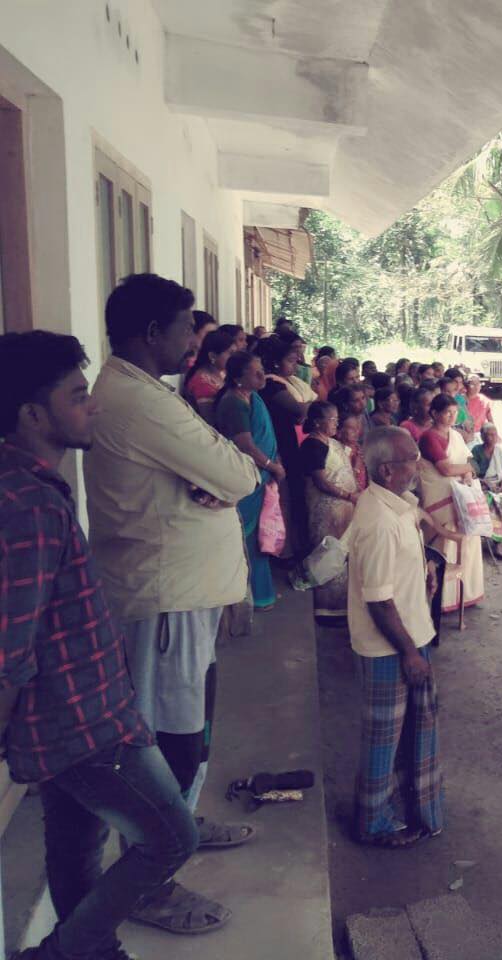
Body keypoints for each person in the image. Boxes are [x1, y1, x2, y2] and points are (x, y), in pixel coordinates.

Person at [0, 331, 201, 960]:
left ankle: (92, 952)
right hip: (81, 723)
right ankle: (64, 953)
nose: (92, 405)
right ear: (33, 416)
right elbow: (9, 648)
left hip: (79, 714)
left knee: (75, 846)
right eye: (77, 395)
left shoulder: (32, 487)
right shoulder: (27, 505)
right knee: (171, 839)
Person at [85, 274, 259, 933]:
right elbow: (239, 471)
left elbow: (226, 472)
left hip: (181, 594)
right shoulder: (138, 401)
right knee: (166, 741)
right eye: (188, 325)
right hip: (164, 599)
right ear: (153, 332)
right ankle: (149, 879)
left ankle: (178, 822)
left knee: (188, 729)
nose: (196, 337)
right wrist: (218, 475)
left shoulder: (147, 392)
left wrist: (214, 476)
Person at [346, 427, 443, 847]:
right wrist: (409, 653)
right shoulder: (379, 521)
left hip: (409, 637)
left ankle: (395, 806)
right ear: (387, 470)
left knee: (407, 733)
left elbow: (396, 572)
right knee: (383, 739)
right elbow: (379, 601)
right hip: (391, 647)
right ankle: (373, 823)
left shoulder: (397, 505)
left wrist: (424, 570)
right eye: (412, 460)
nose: (418, 467)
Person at [214, 352, 285, 611]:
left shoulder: (251, 398)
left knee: (259, 537)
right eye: (255, 372)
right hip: (247, 478)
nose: (262, 374)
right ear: (238, 378)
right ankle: (246, 597)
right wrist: (271, 465)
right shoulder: (233, 403)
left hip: (260, 475)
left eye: (261, 368)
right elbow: (245, 444)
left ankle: (259, 593)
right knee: (249, 539)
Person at [417, 394, 483, 616]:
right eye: (447, 412)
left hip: (459, 495)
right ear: (435, 413)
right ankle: (441, 597)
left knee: (467, 538)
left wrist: (467, 473)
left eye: (455, 412)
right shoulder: (429, 437)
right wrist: (467, 470)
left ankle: (467, 595)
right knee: (444, 539)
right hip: (440, 496)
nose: (452, 417)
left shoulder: (455, 436)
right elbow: (445, 469)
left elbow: (467, 462)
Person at [298, 401, 360, 621]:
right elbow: (321, 481)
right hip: (325, 511)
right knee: (327, 555)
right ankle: (326, 610)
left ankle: (342, 607)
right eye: (332, 420)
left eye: (336, 420)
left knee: (343, 556)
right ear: (317, 422)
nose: (336, 424)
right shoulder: (312, 445)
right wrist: (349, 496)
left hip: (342, 512)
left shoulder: (331, 443)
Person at [256, 334, 310, 556]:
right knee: (284, 497)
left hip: (287, 439)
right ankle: (285, 549)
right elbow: (300, 409)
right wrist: (308, 406)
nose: (295, 365)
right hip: (279, 443)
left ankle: (291, 546)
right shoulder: (272, 385)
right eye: (290, 360)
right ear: (276, 362)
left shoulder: (286, 383)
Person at [472, 421, 502, 558]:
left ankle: (501, 544)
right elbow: (472, 472)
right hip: (482, 486)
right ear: (482, 436)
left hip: (500, 485)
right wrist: (485, 482)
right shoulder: (476, 451)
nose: (491, 437)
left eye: (494, 434)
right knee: (493, 503)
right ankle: (498, 543)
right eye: (488, 435)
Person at [182, 326, 238, 422]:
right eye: (230, 353)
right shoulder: (202, 383)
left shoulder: (221, 372)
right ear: (212, 356)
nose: (235, 358)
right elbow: (211, 421)